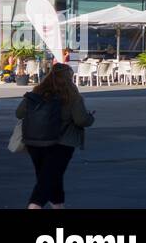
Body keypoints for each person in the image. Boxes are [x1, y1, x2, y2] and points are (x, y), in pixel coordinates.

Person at [15, 62, 94, 209]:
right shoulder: (72, 96)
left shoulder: (35, 94)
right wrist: (91, 118)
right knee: (50, 177)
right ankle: (35, 205)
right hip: (62, 143)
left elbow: (19, 113)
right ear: (69, 78)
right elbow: (81, 120)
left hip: (35, 141)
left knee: (50, 176)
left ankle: (58, 205)